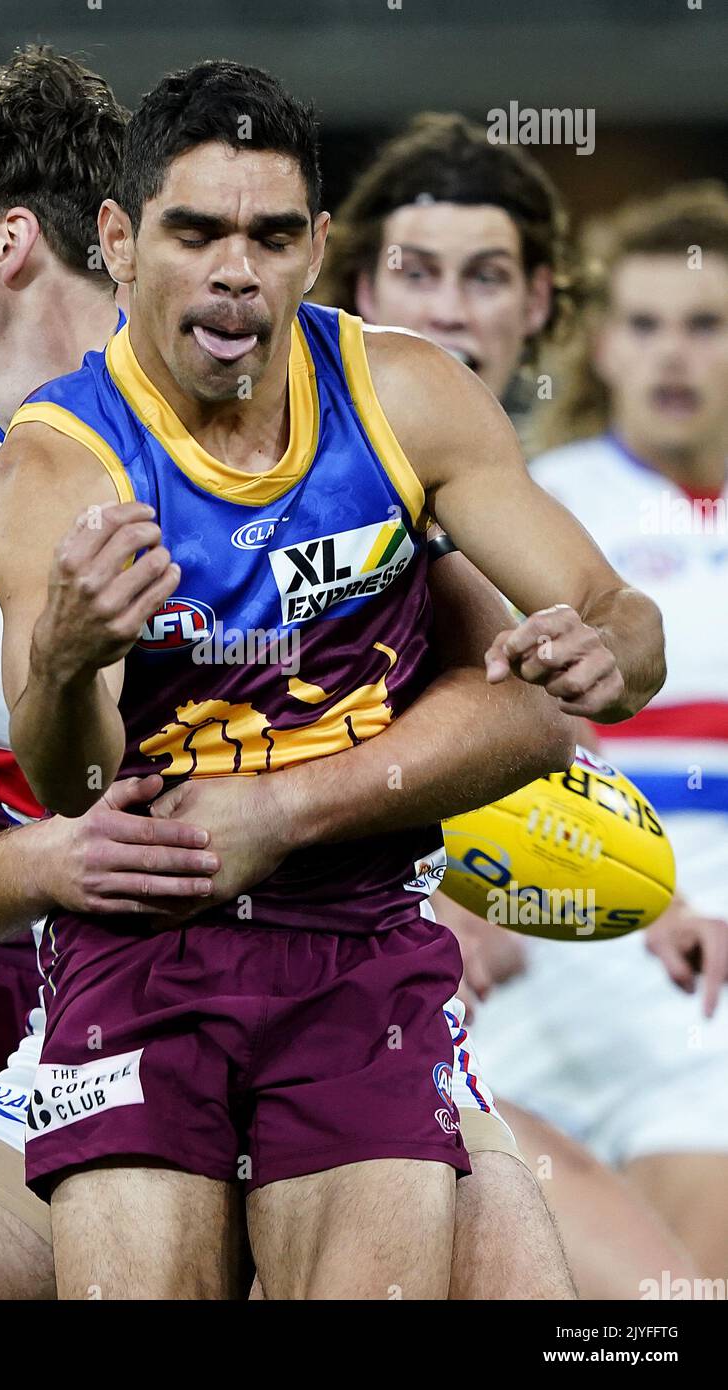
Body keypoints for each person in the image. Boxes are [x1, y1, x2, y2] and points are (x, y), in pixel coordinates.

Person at [0, 52, 570, 1303]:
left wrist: (295, 813)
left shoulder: (297, 393)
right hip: (112, 990)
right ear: (119, 234)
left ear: (15, 243)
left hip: (342, 979)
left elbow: (528, 700)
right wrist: (54, 858)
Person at [0, 61, 663, 1300]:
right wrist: (68, 657)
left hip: (360, 943)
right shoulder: (55, 466)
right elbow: (66, 777)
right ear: (123, 244)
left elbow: (614, 635)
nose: (236, 268)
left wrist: (611, 639)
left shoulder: (404, 393)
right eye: (196, 231)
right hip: (144, 947)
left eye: (271, 234)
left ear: (318, 247)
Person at [313, 111, 717, 1298]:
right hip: (354, 998)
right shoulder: (270, 501)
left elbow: (589, 718)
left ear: (541, 300)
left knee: (665, 1304)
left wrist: (647, 900)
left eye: (484, 276)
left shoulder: (553, 512)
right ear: (354, 284)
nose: (447, 311)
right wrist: (430, 890)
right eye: (417, 274)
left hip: (592, 990)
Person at [471, 182, 728, 1281]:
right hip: (547, 943)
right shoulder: (539, 504)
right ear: (599, 346)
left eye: (706, 323)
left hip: (703, 983)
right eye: (643, 322)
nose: (672, 352)